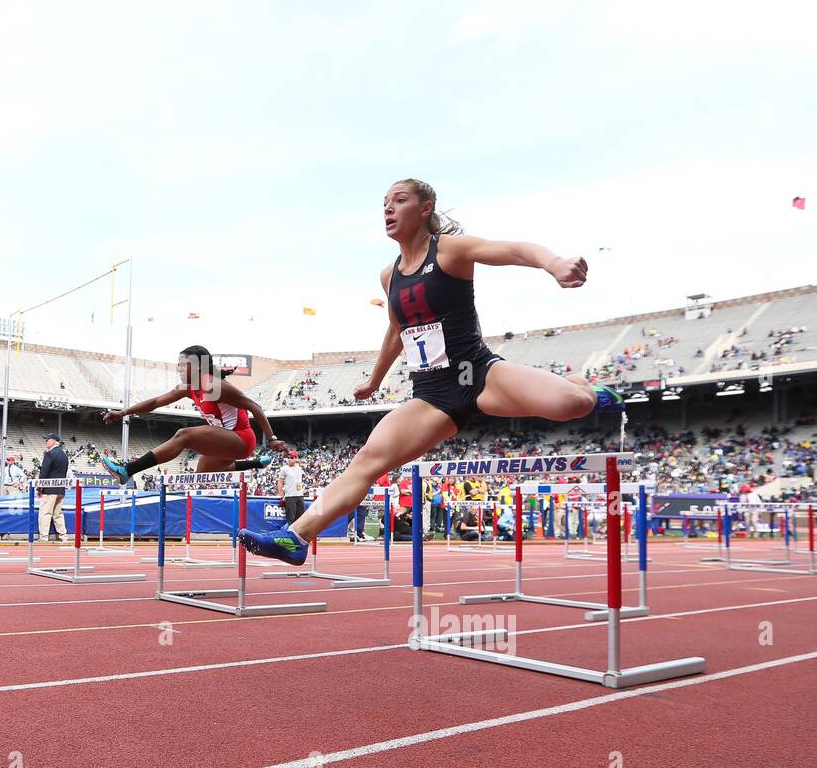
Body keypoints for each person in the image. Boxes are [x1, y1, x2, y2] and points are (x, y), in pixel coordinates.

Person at [241, 178, 621, 565]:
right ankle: (296, 537)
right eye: (385, 203)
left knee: (571, 402)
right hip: (432, 394)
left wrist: (555, 265)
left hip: (477, 374)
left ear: (425, 209)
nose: (388, 209)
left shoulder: (450, 251)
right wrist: (375, 379)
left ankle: (588, 389)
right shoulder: (389, 275)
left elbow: (513, 249)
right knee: (366, 462)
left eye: (399, 201)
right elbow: (397, 328)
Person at [98, 346, 287, 481]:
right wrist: (123, 413)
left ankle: (127, 470)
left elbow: (255, 407)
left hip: (241, 439)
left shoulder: (213, 385)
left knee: (184, 435)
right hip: (224, 441)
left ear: (198, 366)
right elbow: (156, 402)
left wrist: (271, 439)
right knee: (200, 477)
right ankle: (255, 463)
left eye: (182, 364)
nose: (178, 368)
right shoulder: (189, 388)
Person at [37, 433, 68, 542]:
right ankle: (63, 536)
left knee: (45, 513)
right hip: (60, 489)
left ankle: (44, 537)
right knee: (58, 514)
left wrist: (39, 488)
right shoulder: (64, 455)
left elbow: (44, 472)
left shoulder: (49, 454)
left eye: (47, 440)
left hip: (49, 489)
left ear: (54, 441)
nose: (46, 441)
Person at [276, 452, 306, 525]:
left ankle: (298, 536)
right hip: (290, 496)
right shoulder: (284, 469)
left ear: (295, 458)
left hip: (300, 495)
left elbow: (303, 465)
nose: (289, 459)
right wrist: (282, 496)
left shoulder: (299, 468)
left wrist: (297, 461)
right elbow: (280, 482)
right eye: (288, 458)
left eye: (291, 458)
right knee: (291, 519)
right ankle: (290, 535)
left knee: (300, 519)